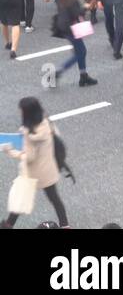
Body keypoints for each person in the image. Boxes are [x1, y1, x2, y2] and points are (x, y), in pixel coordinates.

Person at [1, 97, 69, 228]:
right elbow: (56, 136)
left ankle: (8, 225)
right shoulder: (46, 122)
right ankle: (65, 225)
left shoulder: (28, 132)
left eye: (21, 110)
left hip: (32, 173)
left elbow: (29, 157)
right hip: (48, 169)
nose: (19, 112)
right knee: (55, 199)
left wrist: (9, 150)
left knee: (20, 199)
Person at [52, 0, 97, 87]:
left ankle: (83, 76)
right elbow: (77, 12)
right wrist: (86, 7)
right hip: (71, 28)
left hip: (64, 27)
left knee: (80, 51)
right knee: (81, 52)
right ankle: (59, 71)